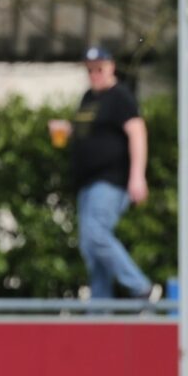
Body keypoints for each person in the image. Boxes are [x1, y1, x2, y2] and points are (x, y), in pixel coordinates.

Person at [53, 46, 153, 303]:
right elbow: (90, 132)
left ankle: (140, 286)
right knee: (90, 246)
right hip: (87, 182)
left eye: (99, 68)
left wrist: (137, 176)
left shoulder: (120, 96)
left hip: (110, 180)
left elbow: (137, 132)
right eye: (89, 69)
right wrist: (68, 129)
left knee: (96, 233)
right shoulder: (88, 97)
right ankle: (100, 308)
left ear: (111, 67)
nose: (94, 73)